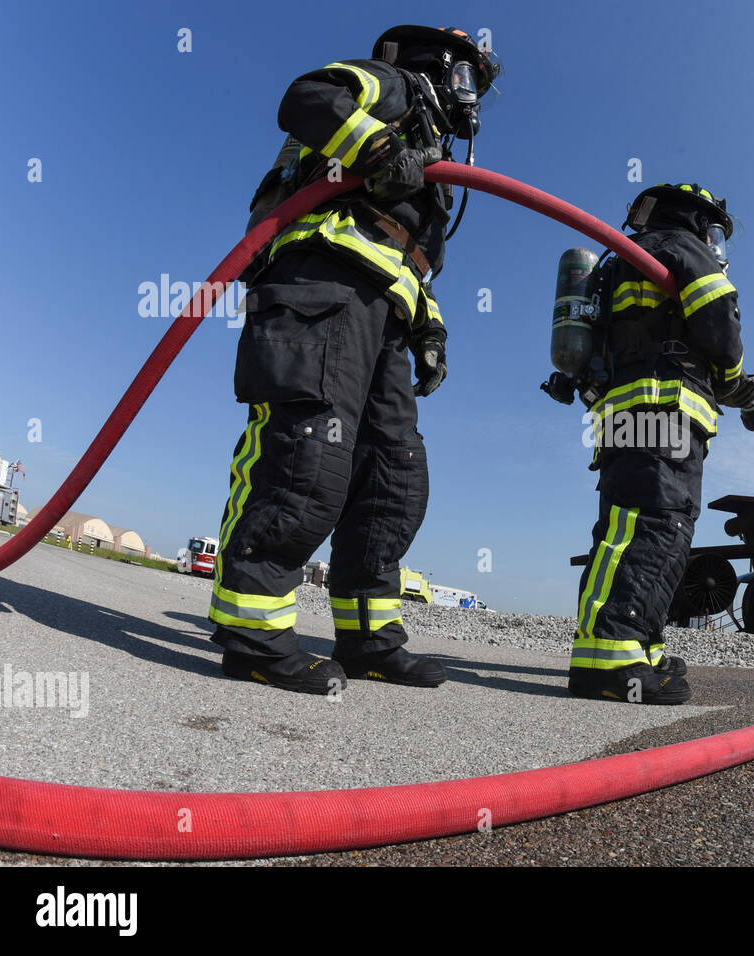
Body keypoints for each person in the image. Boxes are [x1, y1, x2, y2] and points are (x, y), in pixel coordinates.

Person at [209, 25, 501, 695]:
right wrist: (374, 143)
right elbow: (306, 98)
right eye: (466, 76)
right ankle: (252, 633)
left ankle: (368, 638)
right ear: (436, 61)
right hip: (320, 287)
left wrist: (431, 328)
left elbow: (405, 263)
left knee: (393, 481)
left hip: (385, 317)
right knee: (308, 459)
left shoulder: (427, 146)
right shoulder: (389, 85)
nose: (470, 95)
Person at [545, 183, 754, 704]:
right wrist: (740, 386)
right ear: (692, 218)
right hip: (659, 412)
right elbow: (721, 332)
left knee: (639, 526)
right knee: (652, 525)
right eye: (712, 229)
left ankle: (638, 647)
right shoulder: (678, 245)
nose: (714, 242)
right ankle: (607, 657)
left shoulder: (626, 260)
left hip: (630, 415)